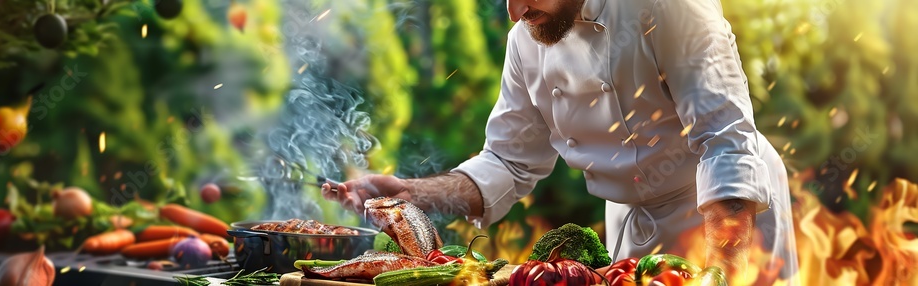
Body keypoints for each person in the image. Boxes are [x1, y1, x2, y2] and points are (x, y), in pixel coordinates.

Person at [321, 0, 798, 284]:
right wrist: (407, 195)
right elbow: (507, 162)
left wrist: (722, 272)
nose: (515, 10)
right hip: (633, 221)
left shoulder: (667, 6)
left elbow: (725, 140)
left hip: (727, 213)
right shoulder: (526, 36)